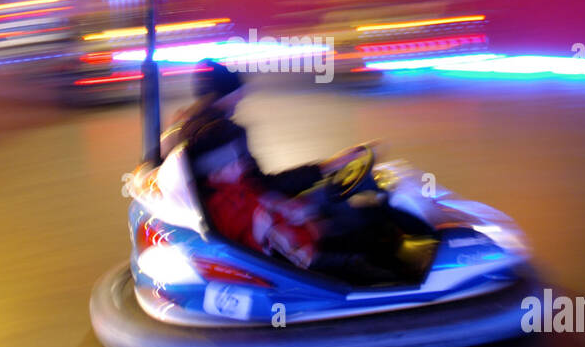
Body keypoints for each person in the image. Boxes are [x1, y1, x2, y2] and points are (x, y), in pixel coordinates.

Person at [165, 61, 421, 283]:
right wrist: (312, 206)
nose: (242, 100)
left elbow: (261, 188)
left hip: (261, 229)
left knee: (340, 205)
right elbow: (264, 192)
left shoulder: (195, 135)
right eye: (239, 93)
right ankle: (405, 288)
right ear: (228, 93)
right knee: (367, 225)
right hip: (268, 251)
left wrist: (328, 167)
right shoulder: (223, 138)